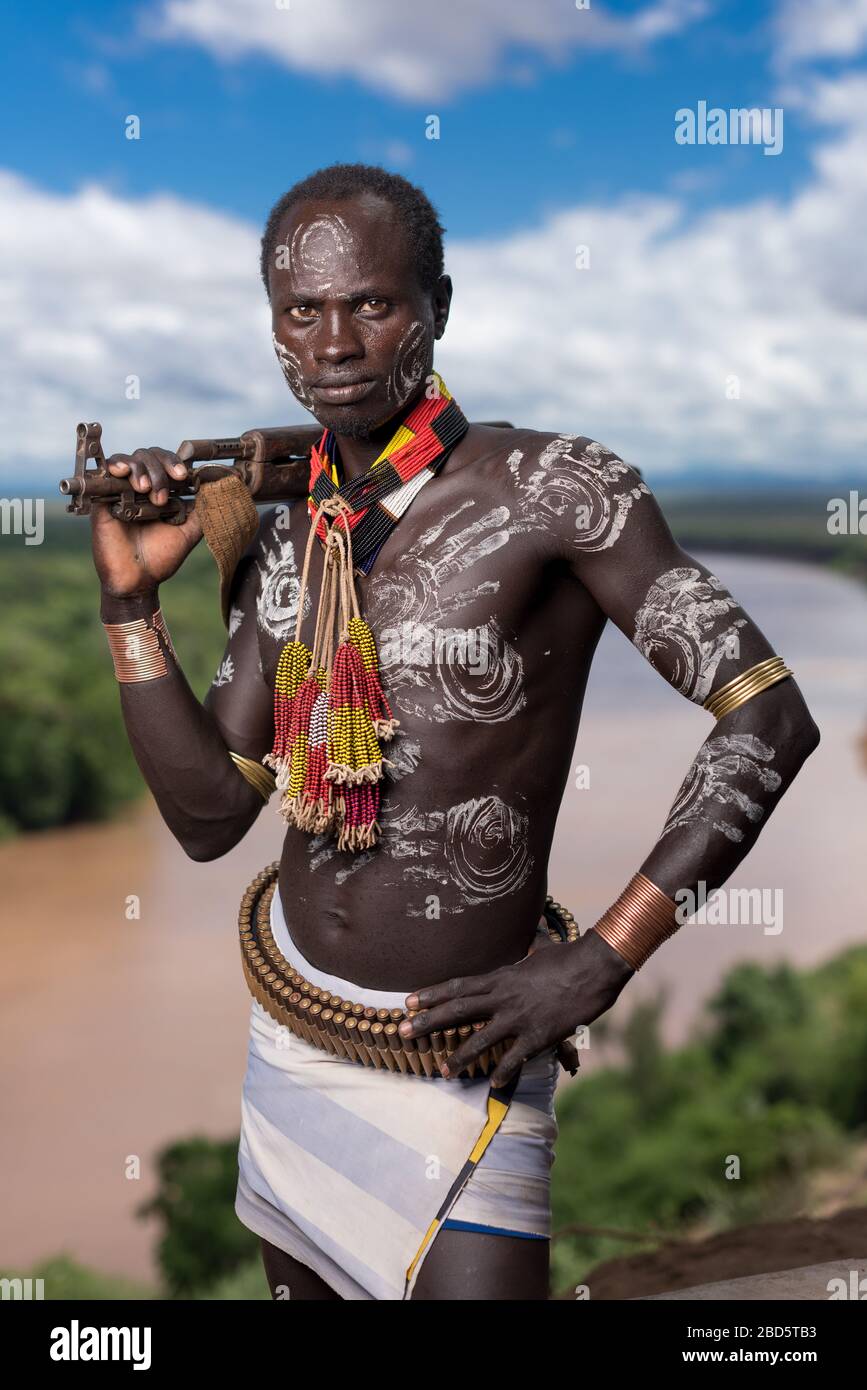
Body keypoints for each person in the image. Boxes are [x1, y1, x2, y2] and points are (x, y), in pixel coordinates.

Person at [90, 163, 820, 1300]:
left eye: (371, 305)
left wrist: (599, 960)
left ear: (438, 305)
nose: (333, 343)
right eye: (301, 311)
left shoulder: (561, 492)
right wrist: (131, 605)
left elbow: (769, 714)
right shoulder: (288, 532)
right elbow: (207, 816)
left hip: (466, 1055)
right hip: (293, 1040)